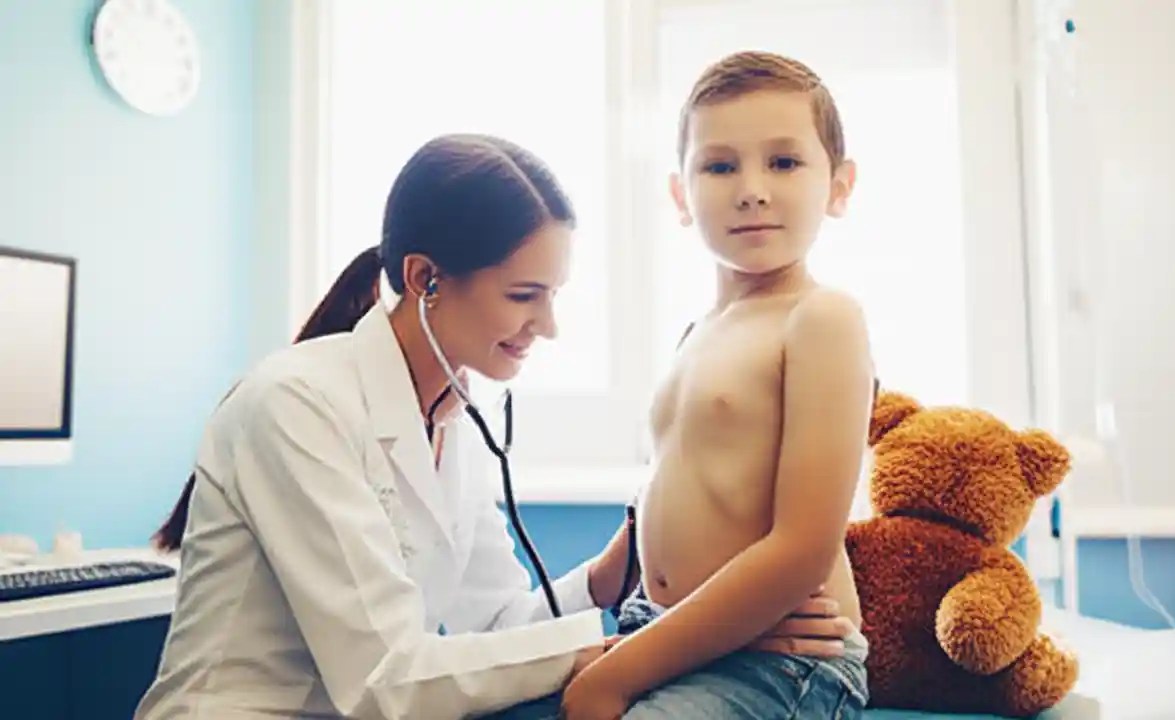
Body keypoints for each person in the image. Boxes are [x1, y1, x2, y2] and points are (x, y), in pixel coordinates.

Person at [135, 133, 854, 720]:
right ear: (425, 279)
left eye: (554, 295)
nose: (547, 325)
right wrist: (642, 652)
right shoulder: (294, 405)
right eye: (524, 296)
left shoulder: (455, 411)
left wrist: (608, 581)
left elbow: (494, 627)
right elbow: (386, 678)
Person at [503, 51, 878, 719]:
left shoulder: (822, 318)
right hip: (667, 628)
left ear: (839, 187)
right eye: (720, 165)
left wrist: (616, 677)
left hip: (781, 661)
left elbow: (801, 551)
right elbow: (690, 490)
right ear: (681, 194)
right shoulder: (697, 333)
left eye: (784, 162)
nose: (751, 189)